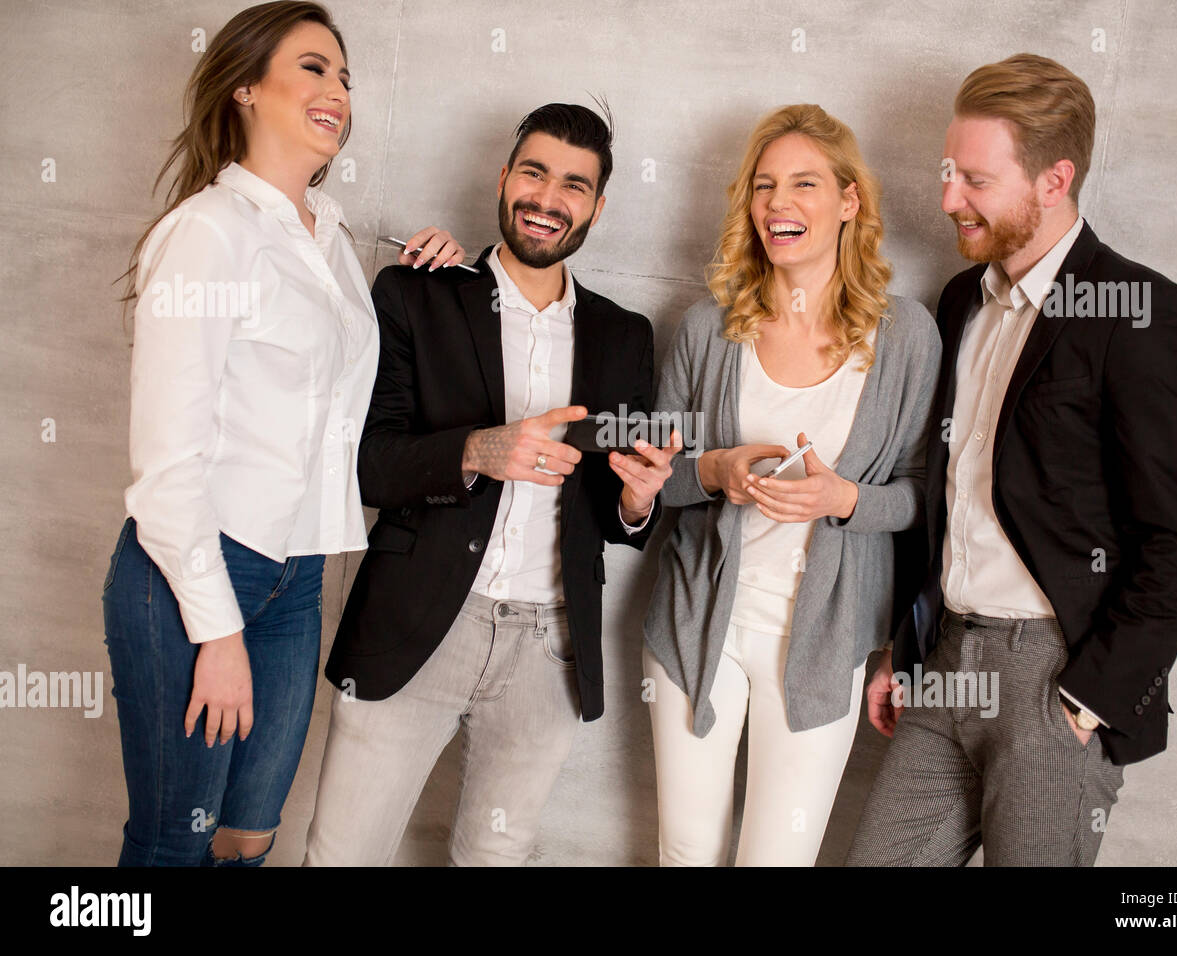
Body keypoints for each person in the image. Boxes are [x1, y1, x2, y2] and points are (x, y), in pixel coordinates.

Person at [102, 0, 464, 866]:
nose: (338, 88)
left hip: (297, 581)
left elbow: (331, 394)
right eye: (313, 67)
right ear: (243, 88)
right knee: (172, 845)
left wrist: (430, 272)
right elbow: (166, 467)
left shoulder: (333, 242)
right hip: (197, 573)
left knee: (247, 837)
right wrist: (215, 632)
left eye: (345, 75)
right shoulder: (208, 234)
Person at [847, 53, 1177, 866]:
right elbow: (949, 495)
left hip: (1056, 676)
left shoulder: (1141, 311)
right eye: (950, 173)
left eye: (976, 180)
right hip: (945, 663)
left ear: (1055, 180)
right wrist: (902, 650)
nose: (948, 199)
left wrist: (1087, 701)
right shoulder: (958, 301)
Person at [303, 102, 681, 866]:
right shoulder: (418, 294)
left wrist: (639, 501)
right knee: (342, 855)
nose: (548, 198)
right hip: (418, 627)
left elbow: (613, 509)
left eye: (574, 184)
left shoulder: (624, 335)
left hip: (549, 651)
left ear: (599, 207)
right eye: (534, 172)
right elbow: (368, 465)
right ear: (504, 177)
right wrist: (477, 449)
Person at [642, 104, 941, 866]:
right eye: (764, 185)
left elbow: (920, 496)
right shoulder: (709, 327)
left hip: (824, 641)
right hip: (699, 622)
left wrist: (843, 500)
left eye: (804, 183)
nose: (779, 203)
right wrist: (713, 470)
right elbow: (658, 477)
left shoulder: (906, 336)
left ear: (849, 202)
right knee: (684, 851)